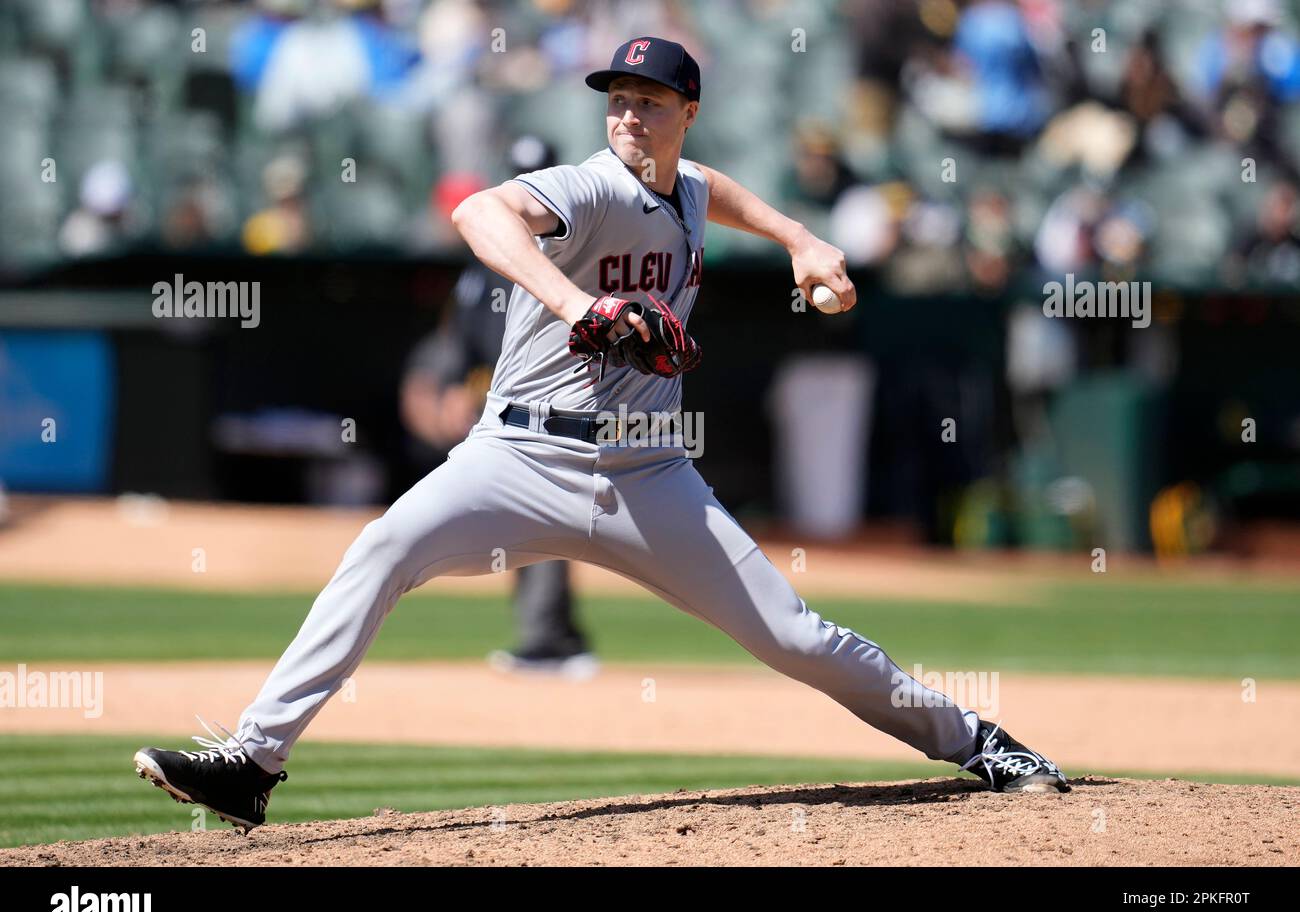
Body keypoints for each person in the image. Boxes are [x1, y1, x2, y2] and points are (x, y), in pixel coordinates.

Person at [133, 36, 1067, 833]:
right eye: (617, 100)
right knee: (379, 551)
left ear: (686, 112)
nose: (627, 115)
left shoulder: (688, 186)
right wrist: (580, 303)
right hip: (518, 458)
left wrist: (798, 239)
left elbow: (714, 193)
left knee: (796, 636)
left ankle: (979, 743)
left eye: (648, 102)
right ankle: (253, 765)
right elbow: (477, 211)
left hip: (647, 473)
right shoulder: (587, 185)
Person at [402, 137, 598, 677]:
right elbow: (464, 338)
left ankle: (551, 638)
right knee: (525, 522)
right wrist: (453, 387)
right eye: (520, 177)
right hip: (498, 403)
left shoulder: (576, 256)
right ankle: (557, 635)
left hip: (557, 403)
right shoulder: (486, 263)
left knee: (547, 518)